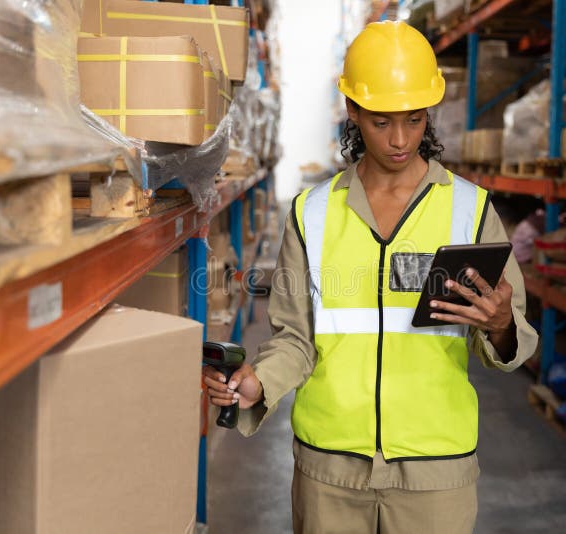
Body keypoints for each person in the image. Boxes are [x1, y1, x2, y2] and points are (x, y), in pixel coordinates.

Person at [204, 20, 538, 534]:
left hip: (436, 469)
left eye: (413, 119)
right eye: (381, 121)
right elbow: (295, 337)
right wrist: (258, 384)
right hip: (329, 468)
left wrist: (498, 324)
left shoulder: (470, 211)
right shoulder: (311, 214)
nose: (400, 139)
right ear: (353, 111)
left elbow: (509, 333)